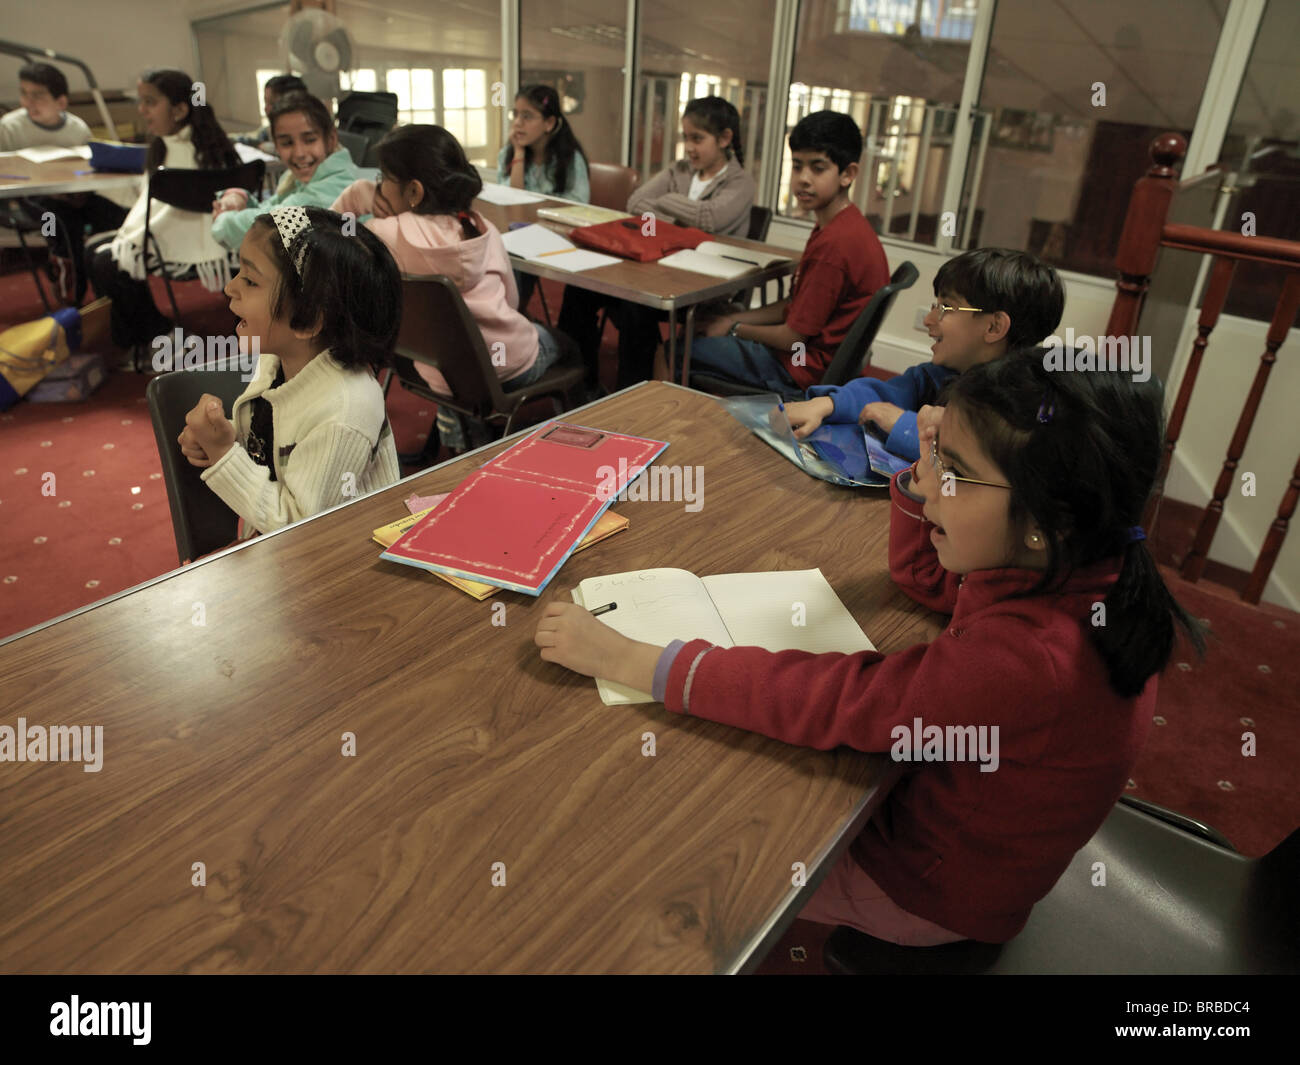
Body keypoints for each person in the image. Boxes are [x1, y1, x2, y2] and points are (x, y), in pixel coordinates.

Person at [534, 351, 1205, 945]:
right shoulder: (1073, 561)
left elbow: (844, 700)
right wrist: (928, 478)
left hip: (925, 893)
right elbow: (928, 582)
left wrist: (637, 660)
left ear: (1044, 520)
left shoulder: (1031, 659)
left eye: (957, 471)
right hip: (957, 839)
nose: (931, 472)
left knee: (665, 857)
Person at [332, 124, 564, 458]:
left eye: (383, 178)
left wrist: (355, 195)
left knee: (458, 342)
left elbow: (321, 240)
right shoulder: (483, 230)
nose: (379, 186)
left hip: (435, 371)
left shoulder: (381, 235)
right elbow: (512, 302)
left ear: (413, 192)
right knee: (563, 343)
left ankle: (461, 423)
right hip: (505, 367)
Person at [177, 205, 400, 537]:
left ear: (308, 320)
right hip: (276, 558)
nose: (230, 288)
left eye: (250, 280)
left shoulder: (344, 411)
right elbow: (274, 445)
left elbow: (301, 531)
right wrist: (223, 442)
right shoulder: (279, 358)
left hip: (333, 571)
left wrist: (224, 456)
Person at [783, 248, 1065, 461]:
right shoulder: (947, 373)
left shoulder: (1023, 407)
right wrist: (828, 405)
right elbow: (887, 392)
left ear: (994, 326)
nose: (929, 319)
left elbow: (977, 461)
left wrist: (906, 425)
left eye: (945, 308)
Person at [557, 95, 756, 391]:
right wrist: (681, 220)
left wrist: (665, 203)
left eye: (697, 139)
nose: (689, 147)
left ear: (725, 138)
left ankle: (632, 394)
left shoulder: (740, 183)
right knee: (581, 289)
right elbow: (636, 201)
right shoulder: (680, 170)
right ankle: (580, 384)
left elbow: (709, 218)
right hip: (658, 268)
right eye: (685, 137)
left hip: (703, 286)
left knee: (637, 307)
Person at [685, 110, 889, 395]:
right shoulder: (845, 225)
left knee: (674, 348)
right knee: (719, 320)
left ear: (848, 174)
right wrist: (735, 319)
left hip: (798, 366)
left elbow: (790, 337)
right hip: (816, 359)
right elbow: (795, 307)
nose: (803, 179)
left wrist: (733, 328)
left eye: (817, 168)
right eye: (797, 166)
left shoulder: (834, 245)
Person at [86, 68, 238, 355]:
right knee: (96, 251)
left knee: (104, 259)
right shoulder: (190, 144)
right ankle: (140, 335)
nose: (142, 111)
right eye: (140, 102)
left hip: (199, 246)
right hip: (195, 239)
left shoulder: (185, 152)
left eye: (150, 102)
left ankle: (154, 334)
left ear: (180, 110)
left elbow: (172, 209)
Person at [2, 61, 125, 305]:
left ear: (61, 102)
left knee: (118, 218)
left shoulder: (76, 128)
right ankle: (70, 297)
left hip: (76, 195)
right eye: (24, 93)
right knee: (60, 225)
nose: (28, 102)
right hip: (30, 199)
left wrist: (79, 191)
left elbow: (89, 168)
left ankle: (113, 294)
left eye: (38, 96)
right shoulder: (9, 127)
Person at [211, 92, 364, 250]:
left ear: (331, 139)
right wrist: (239, 197)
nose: (299, 153)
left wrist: (222, 219)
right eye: (287, 143)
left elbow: (261, 228)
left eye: (310, 140)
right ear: (276, 146)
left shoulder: (328, 191)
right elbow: (271, 207)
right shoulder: (296, 178)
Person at [496, 83, 590, 313]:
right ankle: (509, 313)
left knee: (512, 258)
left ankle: (510, 315)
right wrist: (518, 153)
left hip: (557, 238)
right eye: (515, 114)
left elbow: (578, 203)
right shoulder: (508, 154)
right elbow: (511, 197)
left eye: (527, 116)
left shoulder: (570, 159)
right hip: (521, 232)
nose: (517, 122)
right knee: (503, 253)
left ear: (549, 123)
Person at [236, 73, 307, 150]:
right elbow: (251, 139)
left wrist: (269, 148)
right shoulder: (267, 133)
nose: (266, 108)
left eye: (272, 103)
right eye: (265, 102)